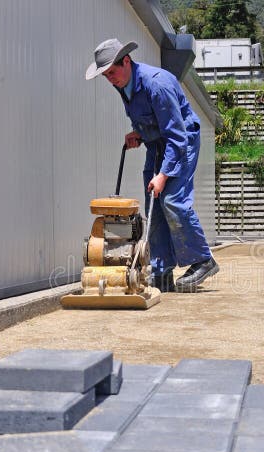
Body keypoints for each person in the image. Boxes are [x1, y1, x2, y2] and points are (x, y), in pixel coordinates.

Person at [85, 38, 218, 293]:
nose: (109, 78)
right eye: (105, 75)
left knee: (171, 201)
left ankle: (203, 260)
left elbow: (177, 137)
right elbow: (150, 119)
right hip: (156, 144)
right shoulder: (123, 84)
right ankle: (161, 271)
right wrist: (138, 133)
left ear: (126, 61)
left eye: (111, 72)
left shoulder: (157, 84)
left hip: (181, 143)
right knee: (154, 205)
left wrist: (163, 175)